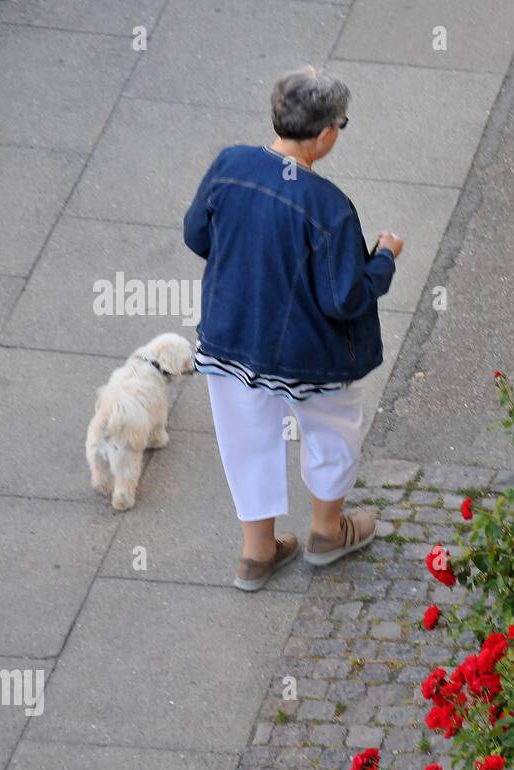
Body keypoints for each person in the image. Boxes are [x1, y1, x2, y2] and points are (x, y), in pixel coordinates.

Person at [183, 66, 402, 591]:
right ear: (326, 133)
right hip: (310, 354)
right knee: (333, 431)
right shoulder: (328, 207)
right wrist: (384, 260)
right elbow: (344, 297)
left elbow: (197, 235)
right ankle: (328, 532)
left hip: (232, 335)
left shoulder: (230, 165)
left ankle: (257, 553)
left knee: (246, 438)